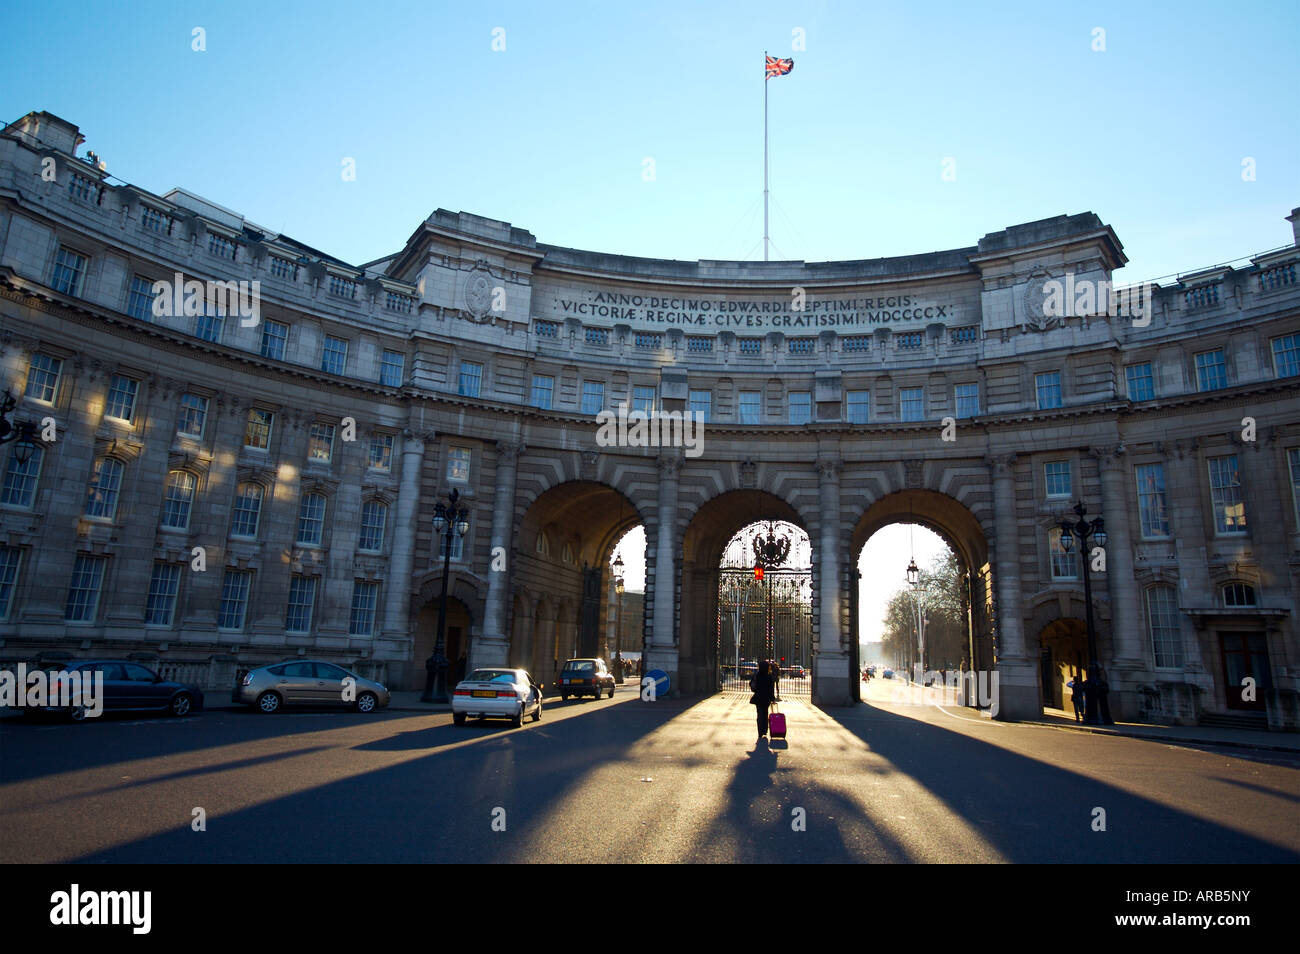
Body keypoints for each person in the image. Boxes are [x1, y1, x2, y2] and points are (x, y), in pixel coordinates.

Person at [750, 658, 778, 742]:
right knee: (765, 713)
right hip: (766, 698)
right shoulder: (769, 676)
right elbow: (771, 688)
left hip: (758, 697)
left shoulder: (756, 675)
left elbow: (751, 684)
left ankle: (760, 731)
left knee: (759, 714)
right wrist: (773, 698)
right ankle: (765, 730)